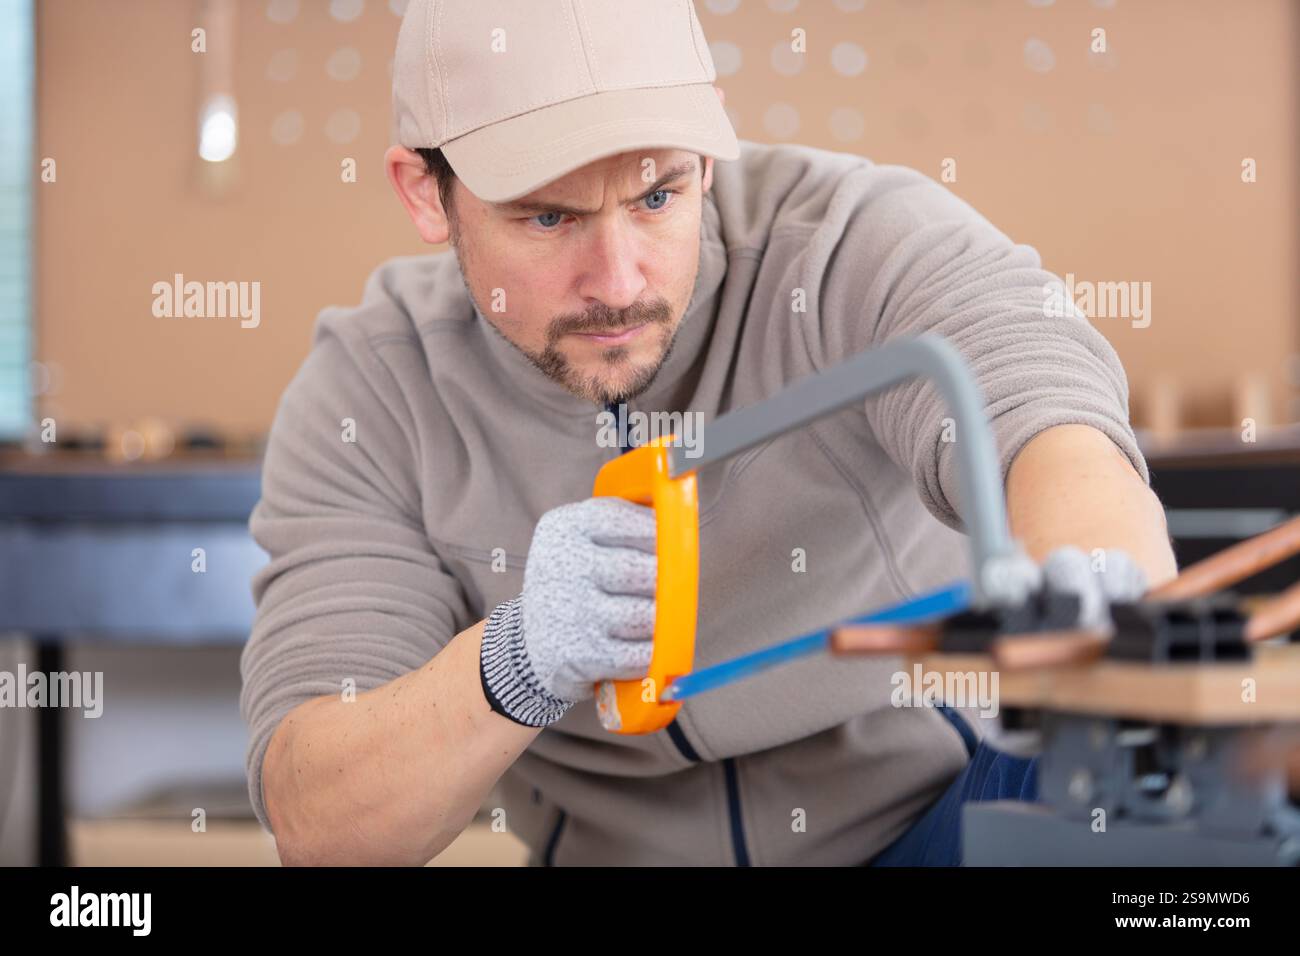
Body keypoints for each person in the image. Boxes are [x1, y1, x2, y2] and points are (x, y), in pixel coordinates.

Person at [239, 0, 1177, 866]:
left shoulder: (846, 239)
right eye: (549, 216)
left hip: (935, 825)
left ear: (708, 150)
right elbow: (320, 822)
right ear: (425, 190)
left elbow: (1046, 411)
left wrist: (1102, 588)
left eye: (658, 197)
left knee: (1171, 802)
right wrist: (511, 663)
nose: (618, 281)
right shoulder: (371, 389)